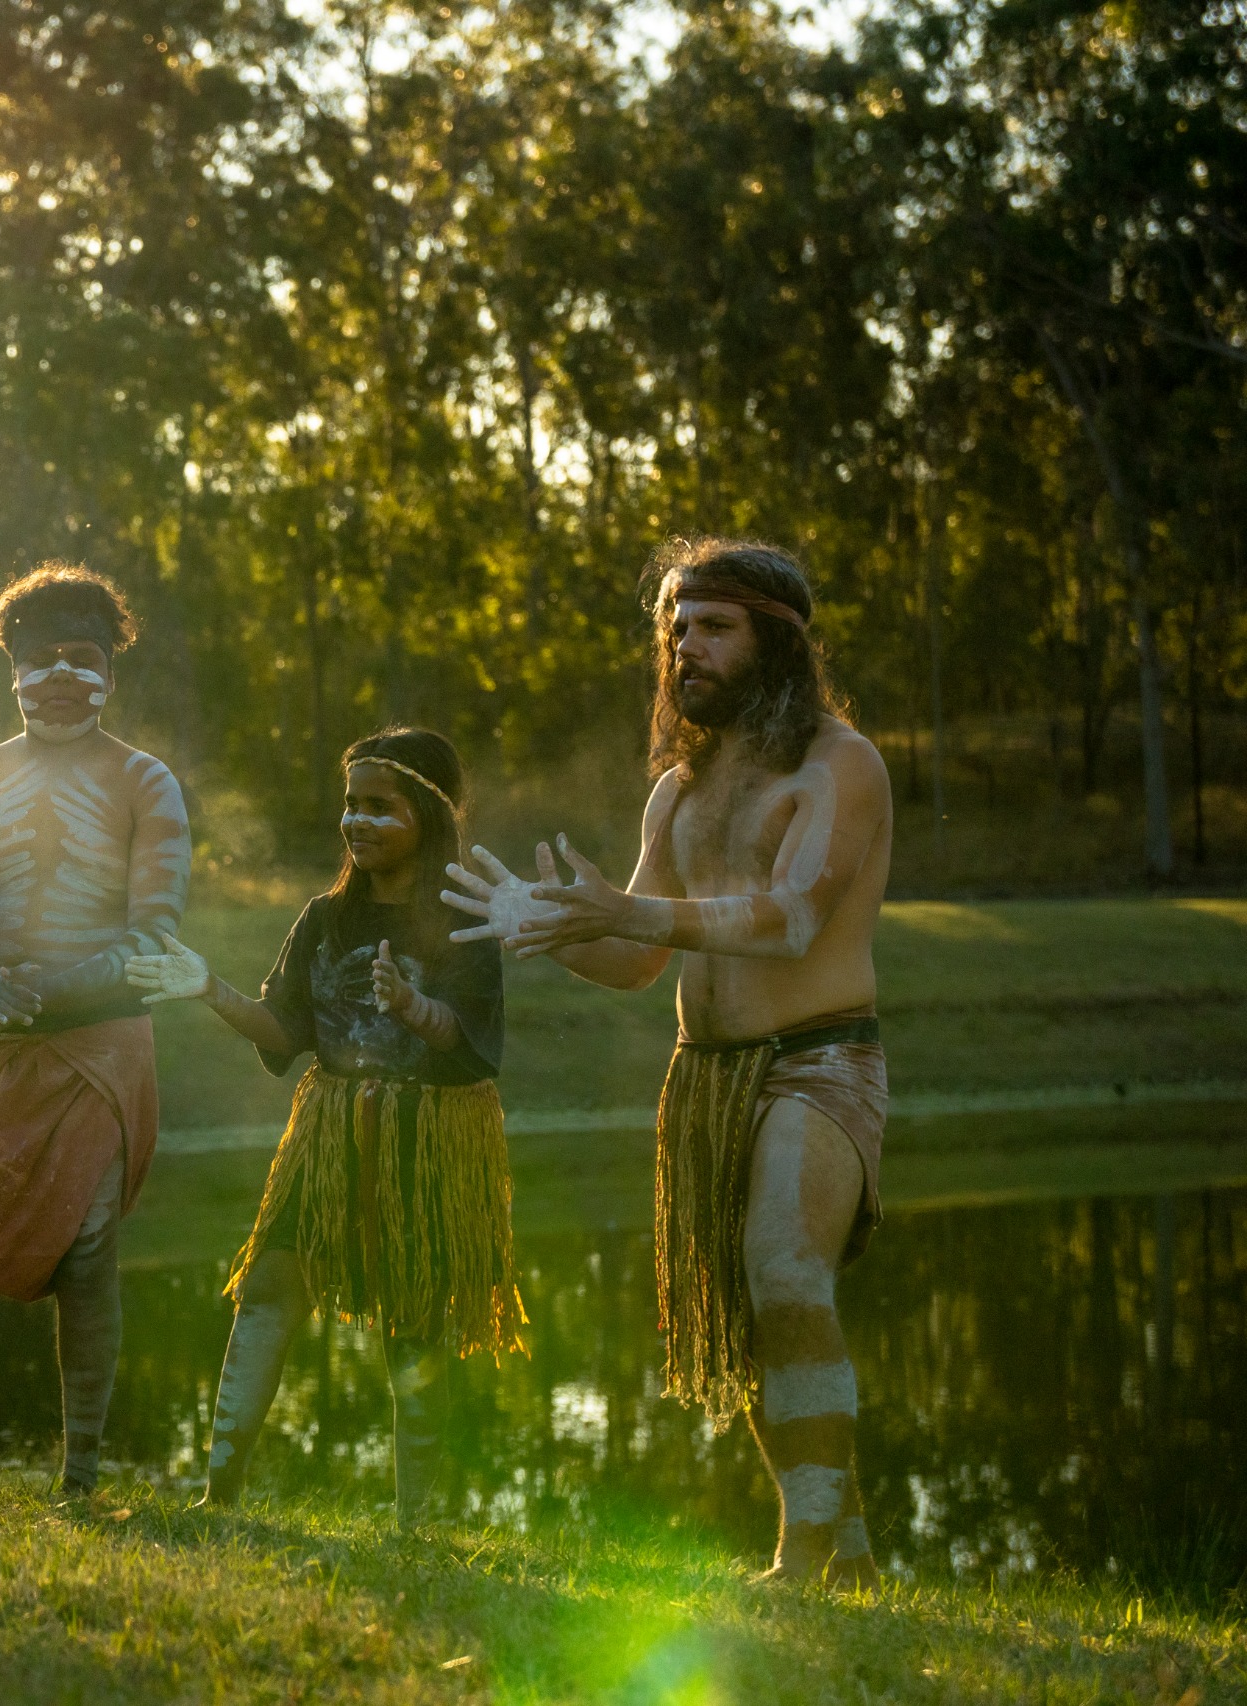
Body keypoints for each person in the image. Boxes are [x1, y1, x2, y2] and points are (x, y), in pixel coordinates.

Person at [443, 537, 892, 1588]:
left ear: (776, 641)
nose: (685, 645)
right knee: (750, 1315)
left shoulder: (839, 763)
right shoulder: (676, 790)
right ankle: (852, 1560)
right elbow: (639, 956)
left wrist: (625, 906)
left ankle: (800, 1556)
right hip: (703, 1077)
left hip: (815, 1064)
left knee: (784, 1273)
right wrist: (550, 924)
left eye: (713, 625)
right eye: (676, 627)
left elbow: (787, 919)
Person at [126, 728, 517, 1510]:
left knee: (414, 1324)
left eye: (381, 807)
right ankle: (220, 1493)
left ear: (430, 817)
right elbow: (283, 1032)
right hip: (329, 1133)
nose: (357, 822)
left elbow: (472, 1044)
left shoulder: (462, 918)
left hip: (428, 1138)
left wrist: (413, 1007)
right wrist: (208, 988)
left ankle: (418, 1523)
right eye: (351, 805)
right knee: (269, 1282)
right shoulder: (324, 919)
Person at [0, 563, 192, 1495]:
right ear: (13, 673)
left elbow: (155, 930)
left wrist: (63, 984)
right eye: (41, 661)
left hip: (98, 1046)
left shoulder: (146, 783)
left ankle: (80, 1472)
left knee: (89, 1252)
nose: (62, 677)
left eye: (83, 658)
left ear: (111, 671)